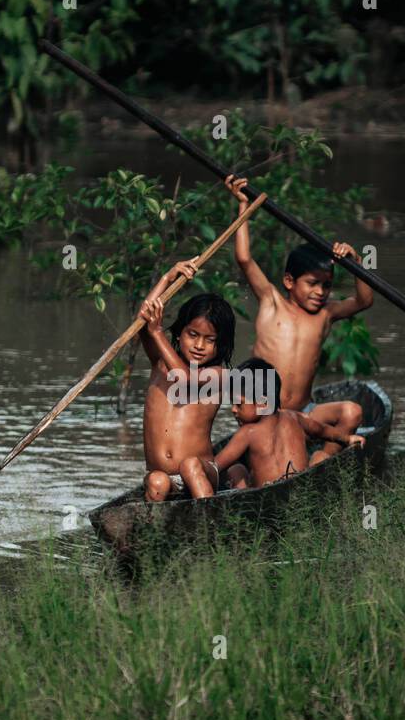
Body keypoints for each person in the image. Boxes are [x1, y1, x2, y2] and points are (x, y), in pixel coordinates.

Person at [225, 174, 373, 454]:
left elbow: (364, 300)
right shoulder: (271, 302)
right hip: (264, 413)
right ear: (290, 281)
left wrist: (355, 263)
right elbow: (244, 258)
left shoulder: (325, 315)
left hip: (305, 414)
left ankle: (322, 459)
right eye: (313, 283)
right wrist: (244, 206)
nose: (320, 292)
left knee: (352, 411)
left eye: (327, 285)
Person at [139, 259, 235, 502]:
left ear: (220, 344)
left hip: (201, 471)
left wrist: (157, 332)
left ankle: (207, 528)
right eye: (193, 335)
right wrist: (167, 278)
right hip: (165, 477)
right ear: (179, 332)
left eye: (209, 339)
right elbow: (143, 320)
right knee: (156, 481)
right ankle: (155, 535)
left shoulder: (216, 375)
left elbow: (185, 380)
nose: (200, 346)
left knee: (190, 465)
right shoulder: (160, 365)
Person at [216, 358, 364, 490]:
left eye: (238, 404)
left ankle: (242, 504)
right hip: (300, 490)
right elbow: (322, 430)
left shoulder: (247, 432)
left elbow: (217, 466)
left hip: (266, 498)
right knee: (320, 455)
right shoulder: (295, 417)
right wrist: (348, 439)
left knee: (236, 469)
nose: (233, 410)